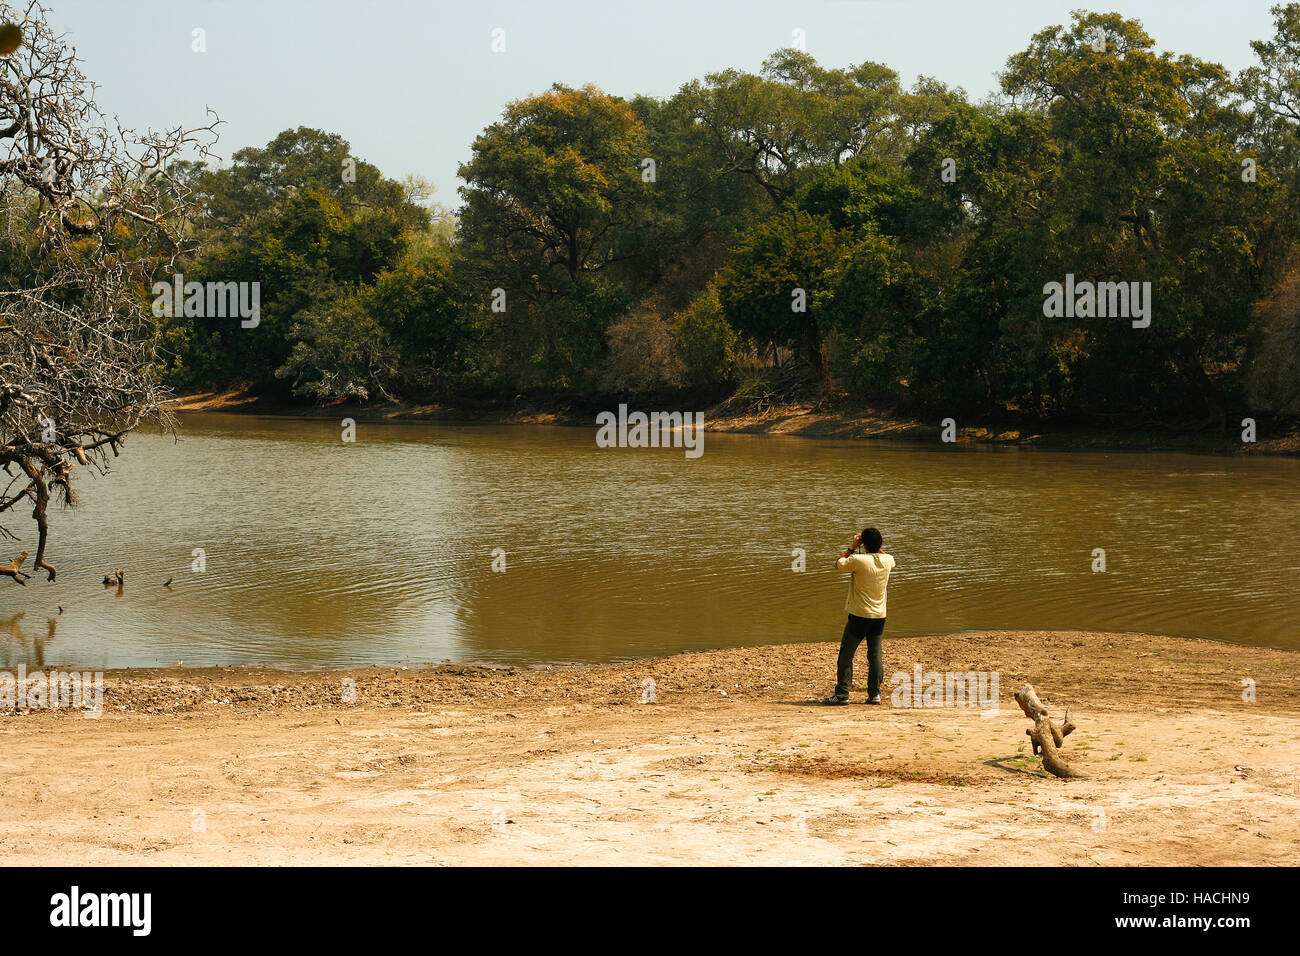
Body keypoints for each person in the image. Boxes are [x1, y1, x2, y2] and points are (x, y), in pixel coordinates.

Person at [822, 527, 894, 705]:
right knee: (875, 656)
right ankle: (874, 694)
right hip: (879, 616)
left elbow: (838, 564)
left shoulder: (857, 560)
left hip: (859, 616)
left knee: (846, 655)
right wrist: (875, 547)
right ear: (880, 544)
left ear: (864, 544)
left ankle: (842, 693)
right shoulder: (888, 560)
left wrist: (853, 546)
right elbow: (884, 556)